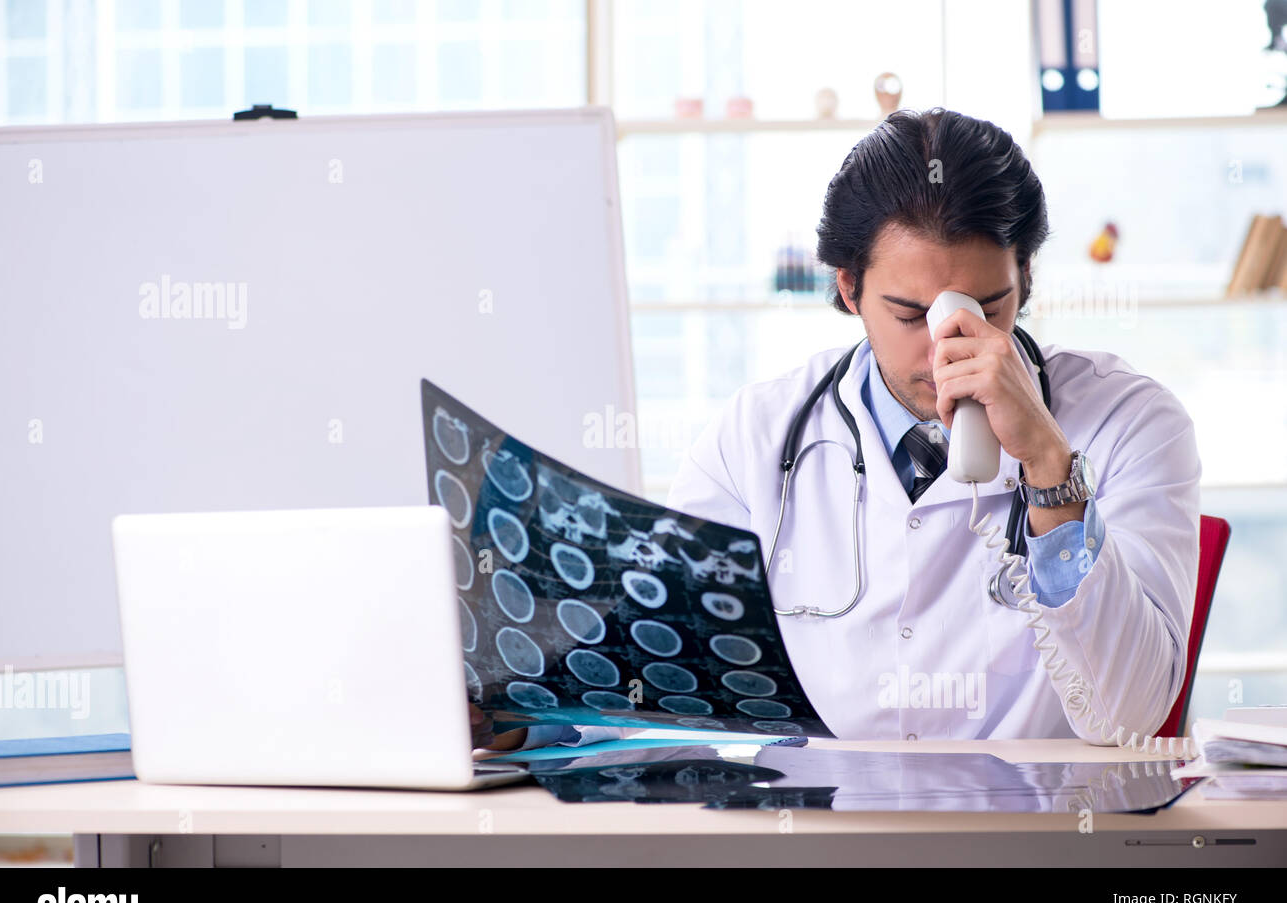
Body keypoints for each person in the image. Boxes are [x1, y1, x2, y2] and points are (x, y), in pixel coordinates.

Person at [474, 106, 1201, 751]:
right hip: (822, 840)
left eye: (987, 306)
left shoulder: (1132, 423)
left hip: (1034, 842)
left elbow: (1129, 717)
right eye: (911, 315)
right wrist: (514, 714)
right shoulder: (756, 438)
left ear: (1028, 278)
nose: (944, 349)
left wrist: (1048, 464)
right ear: (848, 287)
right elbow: (654, 662)